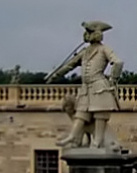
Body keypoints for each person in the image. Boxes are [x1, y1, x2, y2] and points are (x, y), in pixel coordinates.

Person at [46, 21, 124, 149]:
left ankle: (97, 142)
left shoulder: (104, 49)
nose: (86, 35)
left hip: (99, 86)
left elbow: (118, 62)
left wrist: (113, 80)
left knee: (100, 115)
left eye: (89, 32)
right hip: (86, 88)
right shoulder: (85, 51)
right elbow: (69, 65)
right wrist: (55, 75)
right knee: (81, 114)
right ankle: (72, 136)